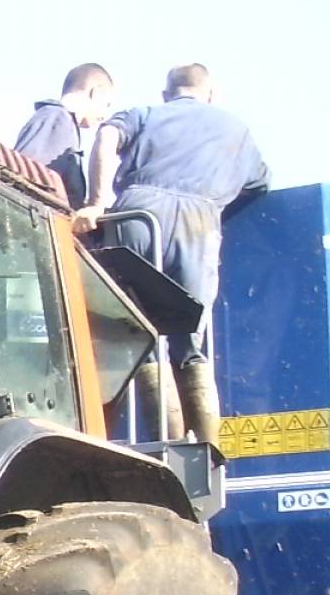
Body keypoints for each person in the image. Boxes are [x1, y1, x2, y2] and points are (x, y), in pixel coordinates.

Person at [72, 64, 269, 449]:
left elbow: (107, 133)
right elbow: (259, 182)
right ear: (211, 95)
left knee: (138, 332)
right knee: (188, 339)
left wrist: (97, 200)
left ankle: (167, 441)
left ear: (167, 94)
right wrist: (216, 206)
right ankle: (207, 450)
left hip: (137, 215)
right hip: (199, 223)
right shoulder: (236, 130)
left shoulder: (146, 113)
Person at [14, 63, 115, 207]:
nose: (104, 116)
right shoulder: (57, 118)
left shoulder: (62, 122)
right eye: (107, 105)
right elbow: (27, 175)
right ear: (96, 93)